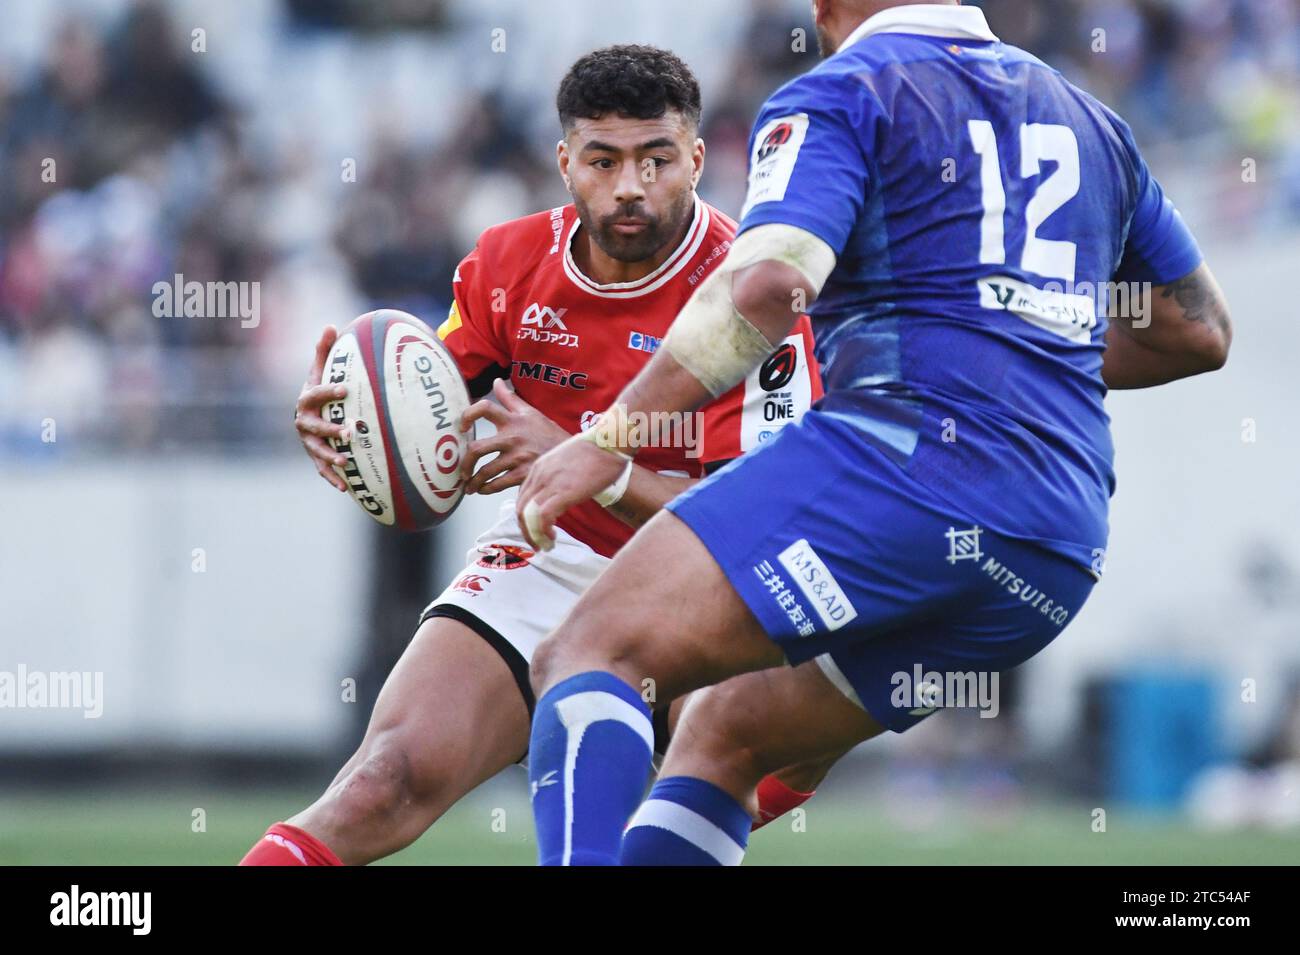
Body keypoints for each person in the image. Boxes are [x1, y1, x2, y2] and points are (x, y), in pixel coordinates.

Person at [515, 0, 1233, 866]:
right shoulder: (1092, 121)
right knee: (726, 732)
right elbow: (1197, 328)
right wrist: (1019, 343)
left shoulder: (844, 89)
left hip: (907, 468)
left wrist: (611, 436)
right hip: (1057, 540)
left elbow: (769, 284)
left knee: (588, 650)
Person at [240, 45, 826, 866]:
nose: (630, 185)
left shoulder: (753, 297)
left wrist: (597, 463)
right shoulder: (508, 266)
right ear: (565, 163)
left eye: (656, 159)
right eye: (603, 160)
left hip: (712, 593)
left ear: (696, 158)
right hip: (557, 556)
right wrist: (348, 425)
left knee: (640, 841)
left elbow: (762, 530)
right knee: (380, 782)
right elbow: (427, 397)